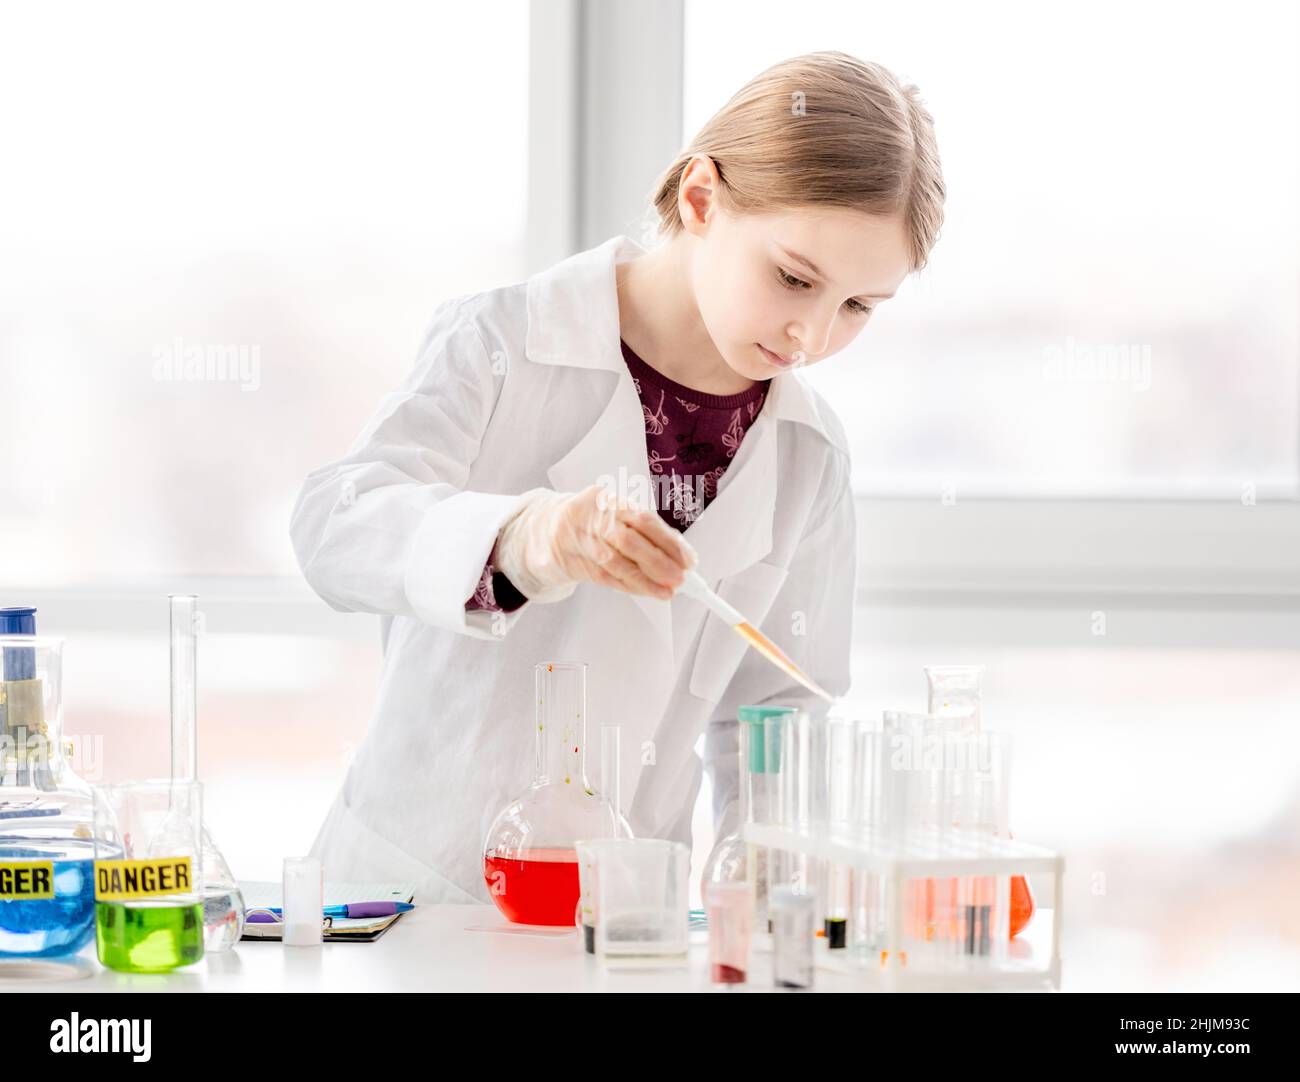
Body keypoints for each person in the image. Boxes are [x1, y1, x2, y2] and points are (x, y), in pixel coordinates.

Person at [289, 51, 945, 902]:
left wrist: (769, 890)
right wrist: (525, 540)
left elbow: (778, 713)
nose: (811, 335)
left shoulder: (807, 452)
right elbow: (334, 526)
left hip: (625, 916)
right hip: (416, 892)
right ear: (701, 199)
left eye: (858, 307)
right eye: (793, 278)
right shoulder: (502, 342)